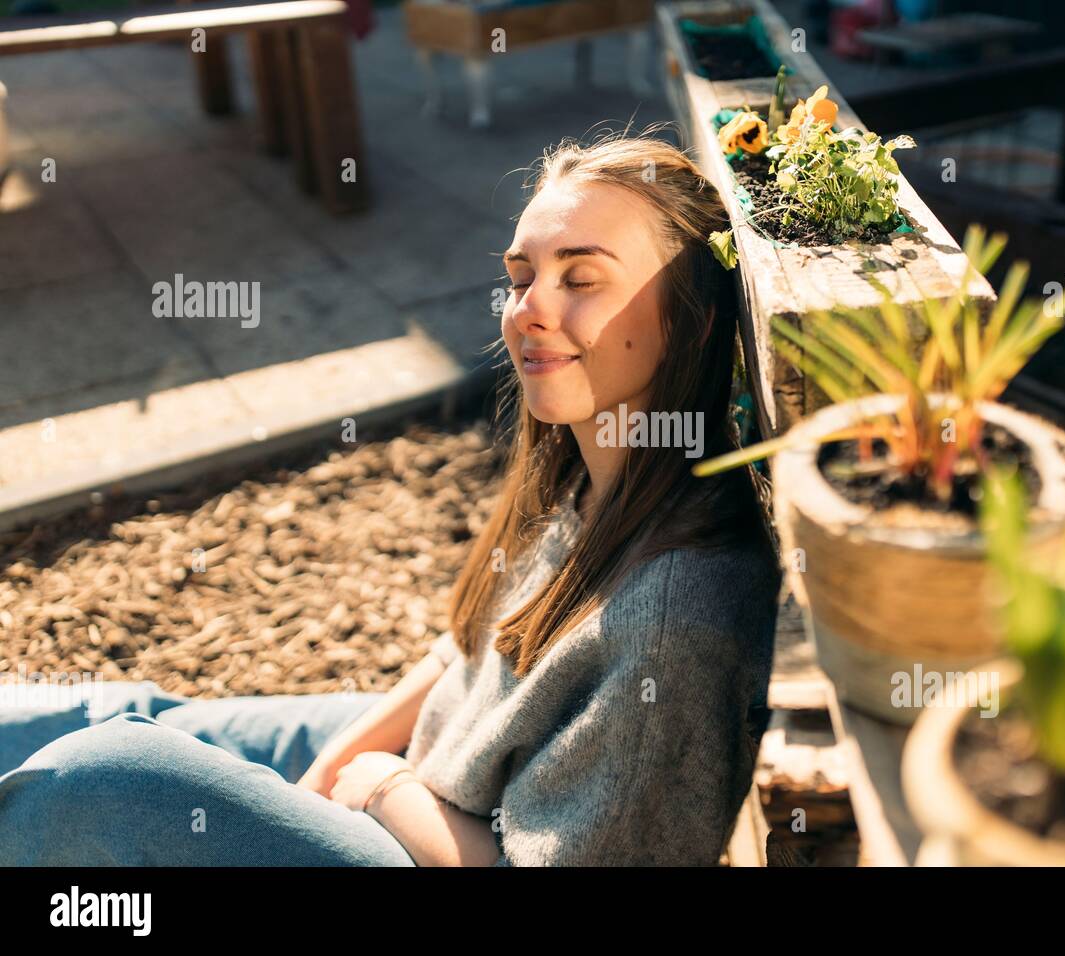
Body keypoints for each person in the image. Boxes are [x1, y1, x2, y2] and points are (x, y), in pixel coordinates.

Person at [0, 130, 782, 866]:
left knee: (106, 777)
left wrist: (381, 787)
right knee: (109, 717)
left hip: (416, 835)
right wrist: (330, 774)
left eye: (580, 278)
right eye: (520, 277)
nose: (530, 308)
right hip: (425, 769)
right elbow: (472, 651)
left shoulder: (676, 620)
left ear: (691, 319)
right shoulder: (591, 483)